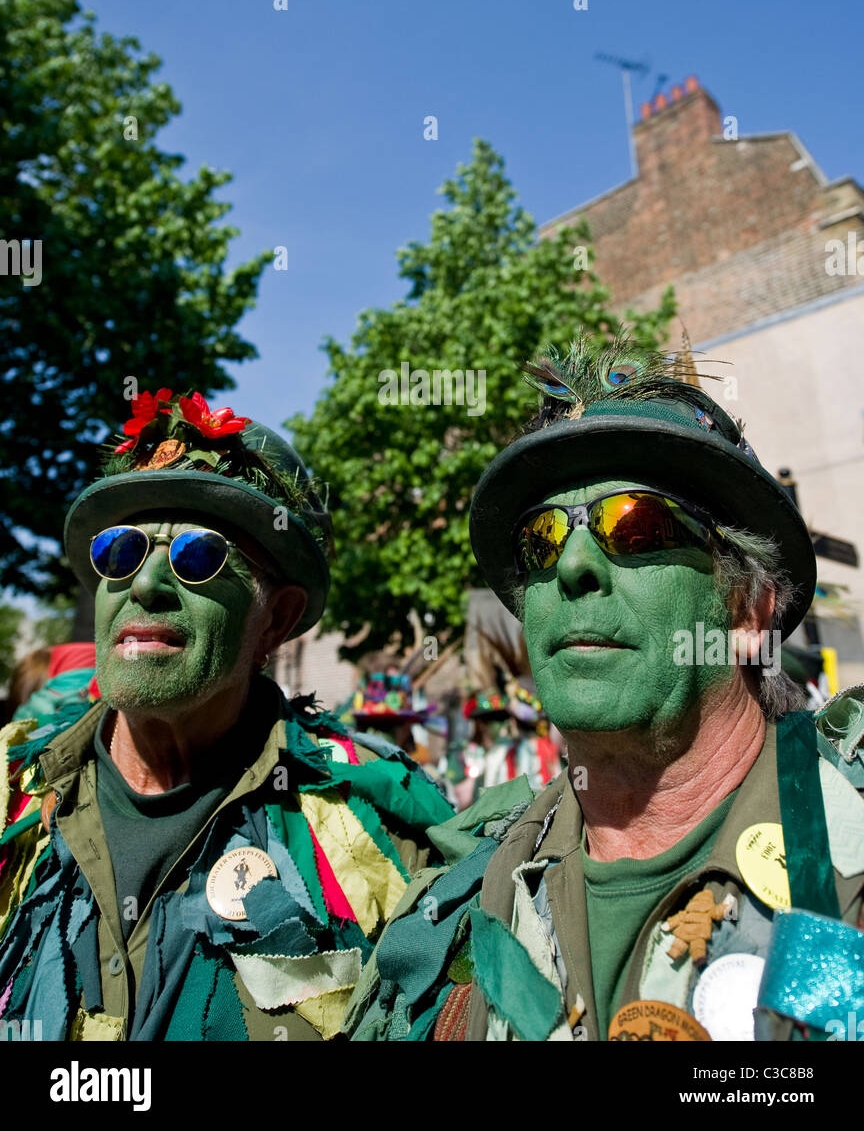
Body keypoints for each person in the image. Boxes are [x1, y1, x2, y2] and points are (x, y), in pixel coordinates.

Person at [346, 334, 864, 1043]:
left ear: (748, 611)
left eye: (638, 524)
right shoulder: (455, 915)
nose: (574, 566)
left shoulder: (846, 842)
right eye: (542, 539)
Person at [0, 386, 450, 1041]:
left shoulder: (383, 835)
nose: (146, 584)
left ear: (279, 618)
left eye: (199, 555)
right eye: (120, 551)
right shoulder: (13, 795)